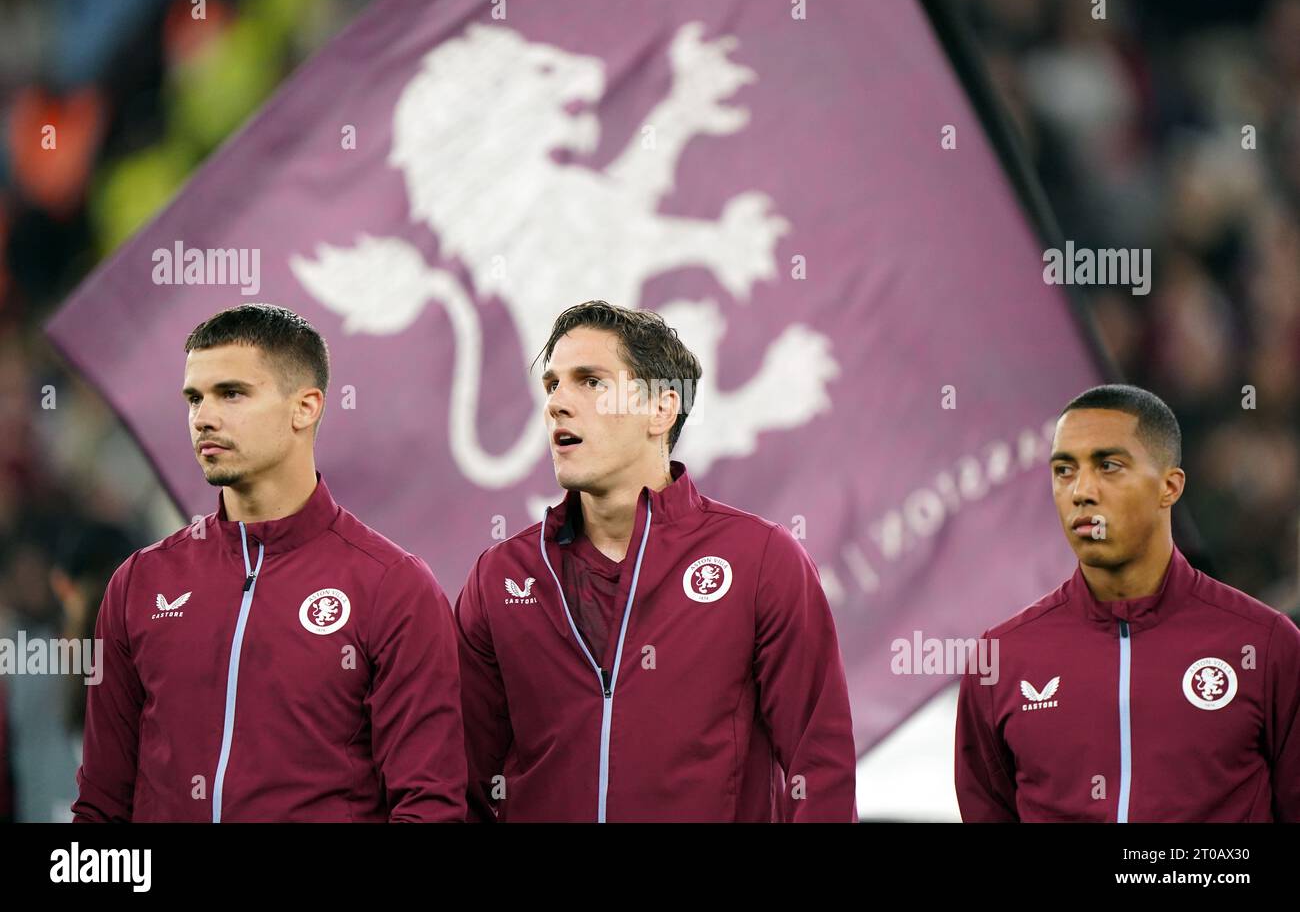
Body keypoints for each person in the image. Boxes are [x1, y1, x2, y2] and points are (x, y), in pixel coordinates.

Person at [455, 300, 856, 822]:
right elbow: (460, 781)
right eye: (552, 384)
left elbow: (820, 768)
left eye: (590, 381)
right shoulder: (500, 576)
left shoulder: (762, 560)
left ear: (662, 408)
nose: (556, 403)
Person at [74, 303, 465, 821]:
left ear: (305, 407)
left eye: (231, 394)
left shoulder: (391, 586)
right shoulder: (139, 583)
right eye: (195, 398)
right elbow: (101, 804)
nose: (204, 417)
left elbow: (428, 807)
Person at [955, 384, 1300, 822]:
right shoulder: (1000, 659)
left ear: (1169, 487)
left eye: (1109, 466)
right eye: (1064, 470)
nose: (1081, 491)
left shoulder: (1267, 645)